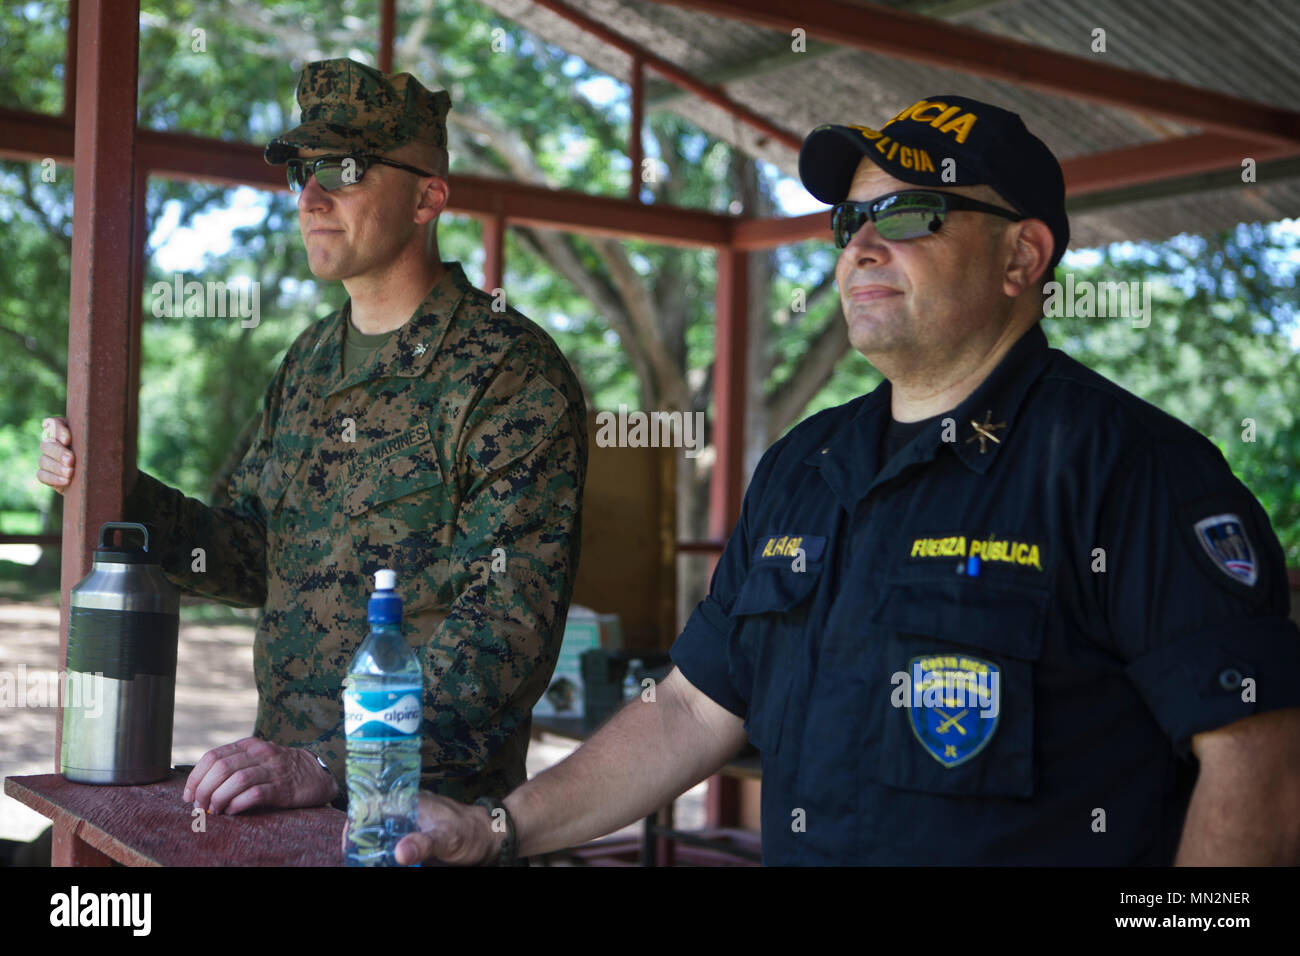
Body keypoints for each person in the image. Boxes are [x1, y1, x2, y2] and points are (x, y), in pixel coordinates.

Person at [385, 94, 1300, 866]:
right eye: (849, 221)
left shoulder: (1132, 470)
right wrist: (497, 827)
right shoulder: (803, 465)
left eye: (907, 214)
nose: (860, 246)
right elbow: (691, 712)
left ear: (1022, 258)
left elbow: (1261, 765)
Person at [37, 58, 587, 817]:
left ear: (428, 197)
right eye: (301, 170)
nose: (311, 197)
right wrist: (108, 491)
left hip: (424, 823)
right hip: (280, 808)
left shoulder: (507, 373)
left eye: (346, 168)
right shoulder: (307, 364)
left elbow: (507, 631)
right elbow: (243, 552)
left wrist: (330, 764)